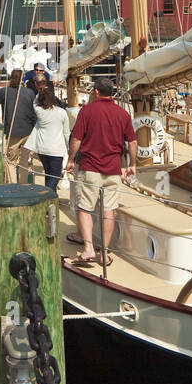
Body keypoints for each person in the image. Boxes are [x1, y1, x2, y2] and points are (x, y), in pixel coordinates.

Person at [65, 78, 137, 267]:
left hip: (90, 167)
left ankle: (89, 249)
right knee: (108, 210)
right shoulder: (123, 114)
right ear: (111, 93)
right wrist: (132, 164)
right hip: (113, 170)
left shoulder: (87, 111)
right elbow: (132, 141)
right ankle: (104, 254)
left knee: (84, 208)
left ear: (96, 92)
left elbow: (76, 139)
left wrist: (71, 159)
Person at [0, 68, 38, 183]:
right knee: (24, 162)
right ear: (22, 79)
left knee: (10, 162)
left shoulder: (4, 92)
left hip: (13, 133)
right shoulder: (30, 93)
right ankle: (22, 186)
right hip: (27, 133)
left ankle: (13, 187)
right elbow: (34, 114)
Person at [27, 84, 71, 190]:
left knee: (48, 174)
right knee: (55, 177)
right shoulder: (62, 112)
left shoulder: (39, 111)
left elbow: (34, 102)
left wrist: (40, 91)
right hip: (56, 150)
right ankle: (46, 195)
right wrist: (69, 148)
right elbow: (66, 133)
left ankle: (51, 199)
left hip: (42, 149)